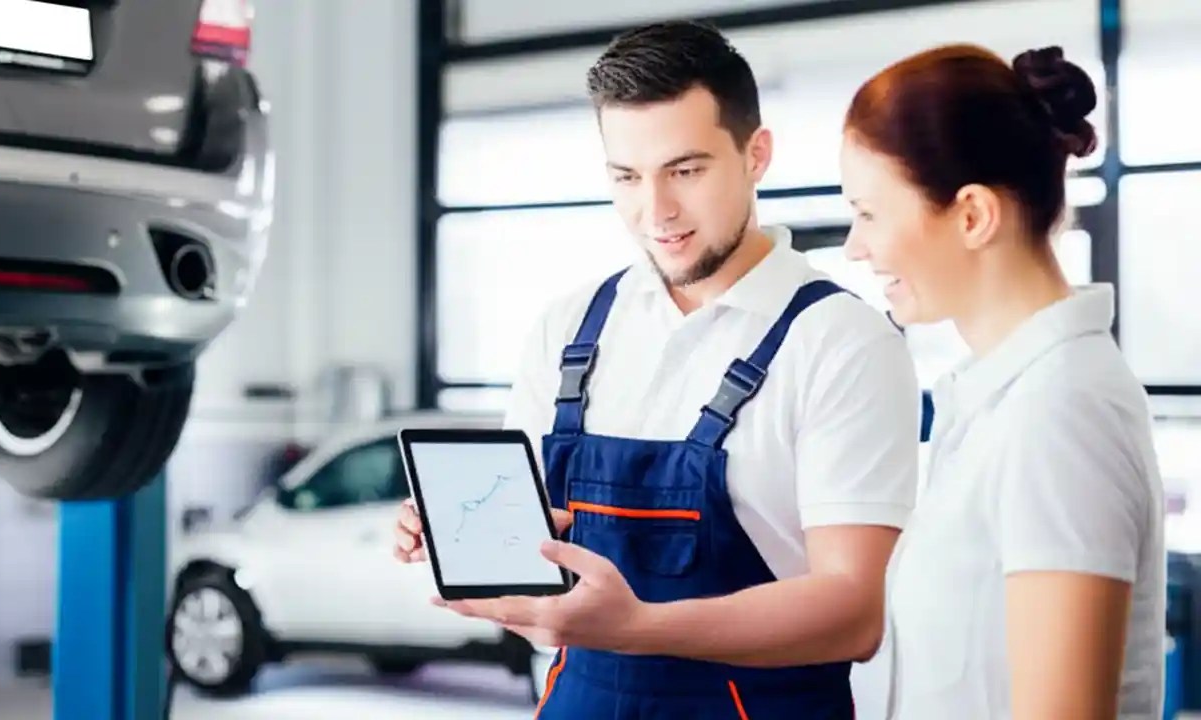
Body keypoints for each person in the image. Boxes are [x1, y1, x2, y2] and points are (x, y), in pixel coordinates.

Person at [395, 20, 922, 718]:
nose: (657, 211)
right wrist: (466, 530)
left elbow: (852, 614)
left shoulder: (842, 342)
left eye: (686, 170)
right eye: (627, 177)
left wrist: (637, 629)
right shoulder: (567, 328)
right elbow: (539, 546)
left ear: (755, 154)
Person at [837, 44, 1165, 719]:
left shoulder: (1061, 411)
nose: (855, 245)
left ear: (972, 216)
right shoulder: (1000, 398)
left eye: (869, 213)